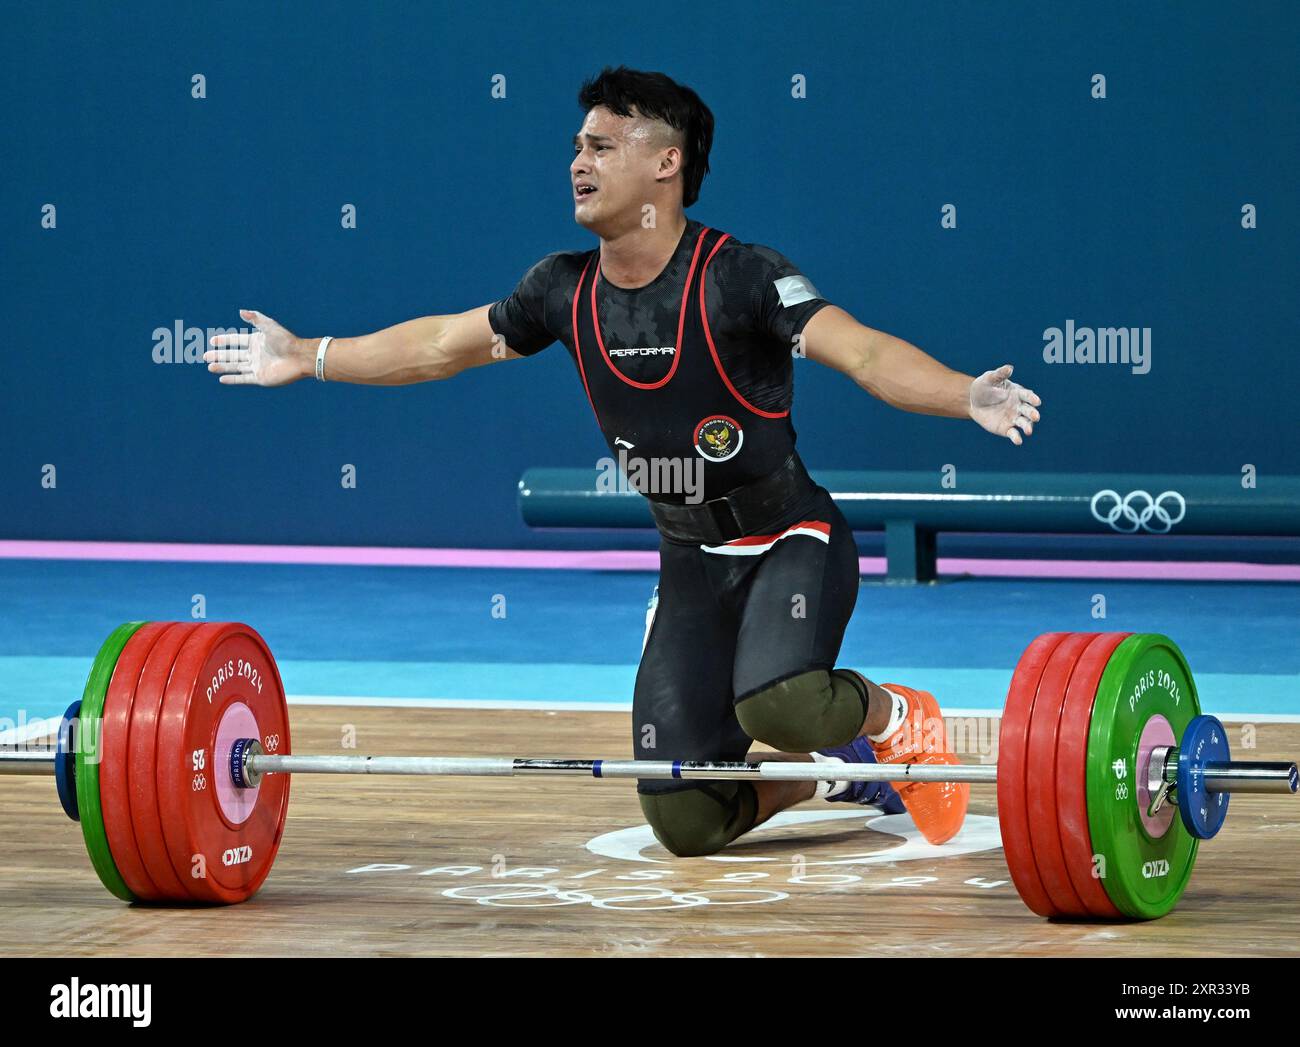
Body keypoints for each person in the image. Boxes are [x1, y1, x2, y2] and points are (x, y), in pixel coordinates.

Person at [205, 65, 1041, 855]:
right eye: (577, 146)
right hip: (689, 561)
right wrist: (308, 354)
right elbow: (438, 345)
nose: (578, 161)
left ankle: (900, 718)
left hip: (792, 539)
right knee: (684, 816)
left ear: (666, 162)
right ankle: (830, 774)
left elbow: (860, 352)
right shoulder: (560, 291)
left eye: (602, 145)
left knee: (780, 698)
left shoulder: (739, 278)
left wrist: (964, 394)